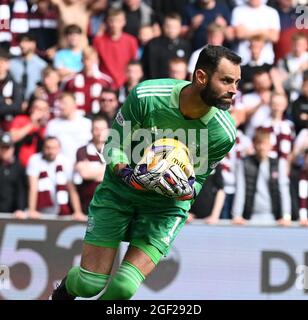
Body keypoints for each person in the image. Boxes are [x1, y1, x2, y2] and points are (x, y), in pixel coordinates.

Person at [51, 45, 241, 300]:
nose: (234, 90)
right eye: (227, 80)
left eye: (237, 82)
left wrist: (186, 190)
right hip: (120, 193)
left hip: (165, 208)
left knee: (123, 288)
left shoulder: (223, 132)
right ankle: (60, 294)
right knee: (89, 284)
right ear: (201, 77)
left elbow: (200, 179)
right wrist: (128, 174)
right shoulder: (146, 96)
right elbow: (114, 146)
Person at [26, 136, 86, 220]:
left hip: (61, 211)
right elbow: (33, 187)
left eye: (54, 148)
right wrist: (32, 210)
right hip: (40, 212)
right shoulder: (35, 160)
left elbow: (71, 189)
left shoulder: (65, 161)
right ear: (43, 148)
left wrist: (77, 212)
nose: (51, 151)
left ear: (59, 149)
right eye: (48, 148)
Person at [0, 132, 27, 216]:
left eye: (7, 148)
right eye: (2, 148)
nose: (5, 151)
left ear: (13, 149)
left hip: (13, 214)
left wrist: (20, 208)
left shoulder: (19, 167)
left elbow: (21, 190)